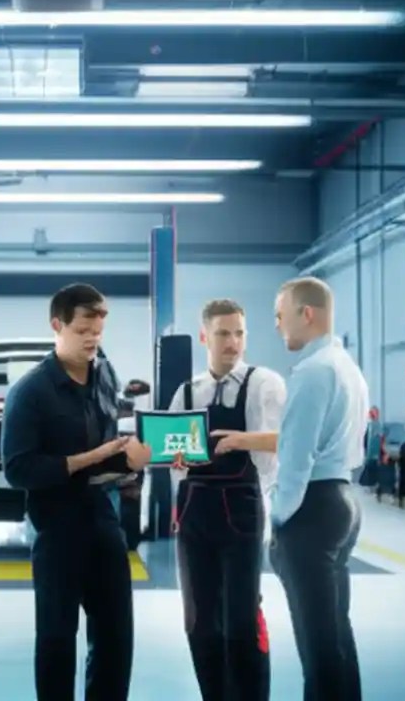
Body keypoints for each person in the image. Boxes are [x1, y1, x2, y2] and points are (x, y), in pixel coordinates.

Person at [1, 282, 152, 701]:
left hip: (103, 521)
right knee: (56, 640)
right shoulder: (30, 392)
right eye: (83, 329)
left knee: (116, 638)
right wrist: (88, 458)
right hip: (56, 529)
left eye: (99, 331)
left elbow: (108, 454)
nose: (92, 339)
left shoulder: (106, 376)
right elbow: (17, 469)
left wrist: (132, 459)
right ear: (57, 325)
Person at [166, 299, 287, 701]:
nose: (233, 342)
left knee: (241, 622)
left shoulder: (264, 383)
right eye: (223, 333)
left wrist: (240, 442)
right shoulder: (187, 392)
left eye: (239, 333)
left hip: (242, 512)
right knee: (200, 623)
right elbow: (172, 457)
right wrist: (174, 458)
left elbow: (286, 440)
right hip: (193, 513)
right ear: (205, 336)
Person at [261, 276, 369, 701]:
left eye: (280, 315)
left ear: (306, 314)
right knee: (336, 632)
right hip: (343, 498)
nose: (277, 325)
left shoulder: (312, 372)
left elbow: (295, 458)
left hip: (313, 507)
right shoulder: (346, 367)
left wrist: (277, 519)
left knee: (316, 642)